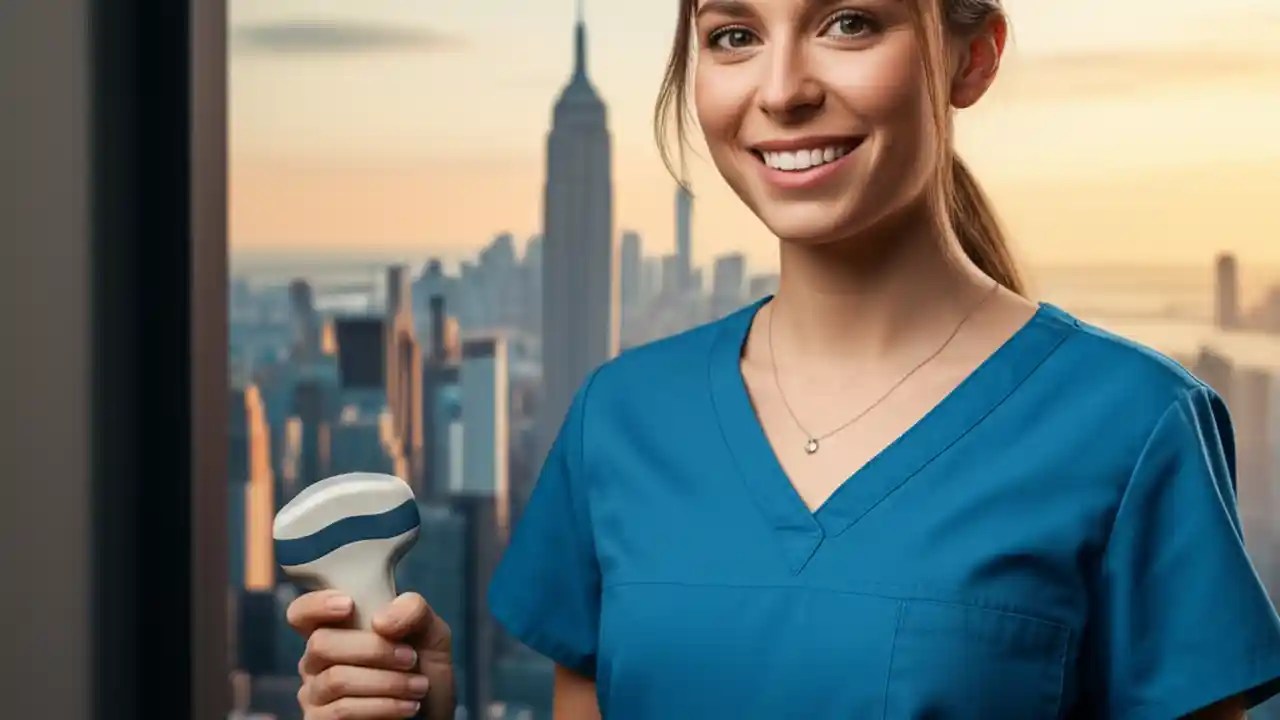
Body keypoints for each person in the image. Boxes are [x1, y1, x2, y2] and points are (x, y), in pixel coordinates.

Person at [286, 0, 1280, 717]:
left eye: (848, 22)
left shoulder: (1130, 427)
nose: (781, 90)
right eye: (732, 35)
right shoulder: (621, 420)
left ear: (968, 56)